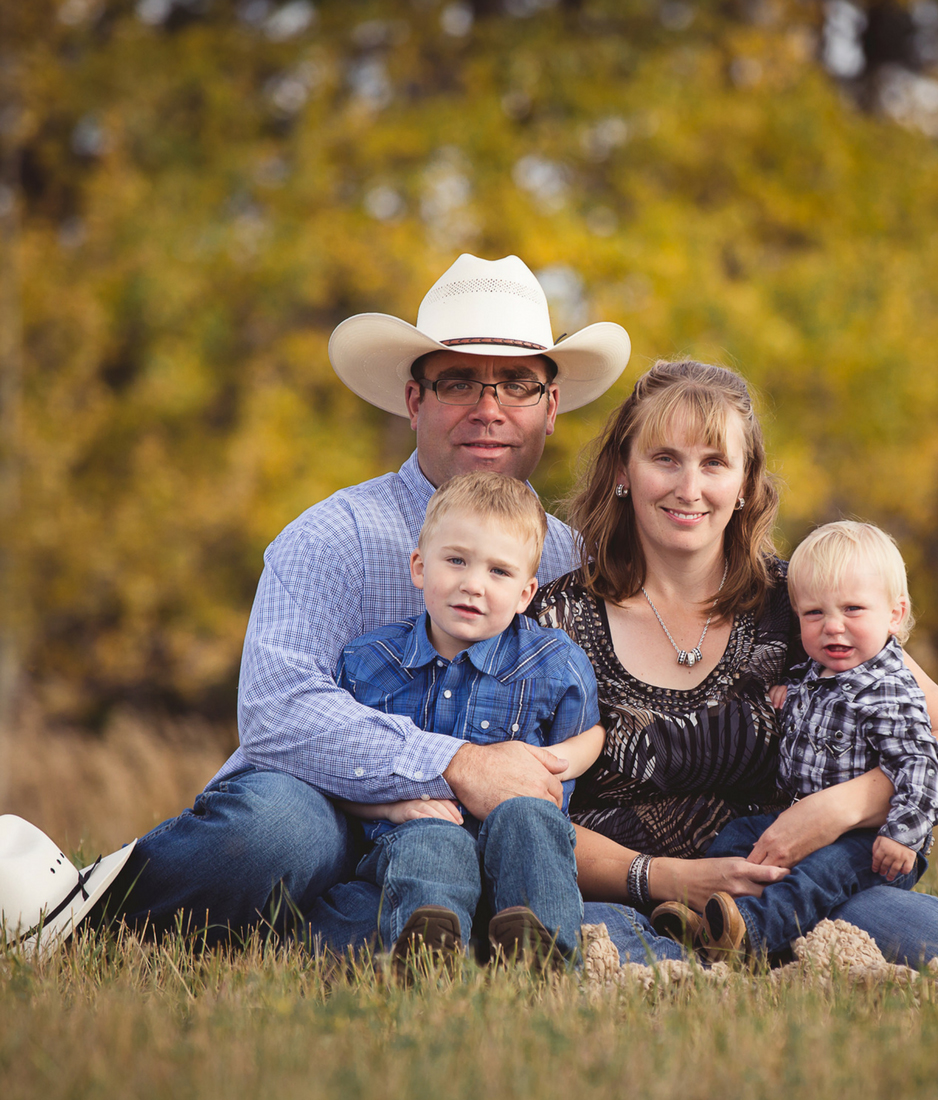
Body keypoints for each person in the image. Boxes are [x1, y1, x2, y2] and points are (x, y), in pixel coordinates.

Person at [97, 253, 631, 945]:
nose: (489, 409)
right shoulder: (332, 535)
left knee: (503, 877)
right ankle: (90, 917)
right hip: (325, 806)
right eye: (458, 382)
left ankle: (337, 936)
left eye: (517, 384)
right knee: (273, 832)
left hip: (478, 837)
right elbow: (276, 710)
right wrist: (452, 765)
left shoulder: (569, 562)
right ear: (414, 401)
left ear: (550, 407)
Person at [533, 360, 938, 969]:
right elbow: (524, 810)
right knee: (598, 942)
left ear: (746, 482)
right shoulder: (557, 618)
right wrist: (663, 877)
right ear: (623, 470)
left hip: (786, 885)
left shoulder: (800, 605)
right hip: (624, 888)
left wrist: (837, 809)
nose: (689, 488)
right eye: (665, 459)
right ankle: (698, 961)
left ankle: (737, 949)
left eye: (714, 463)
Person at [334, 471, 604, 964]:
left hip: (518, 835)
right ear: (419, 567)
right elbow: (340, 775)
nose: (472, 585)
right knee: (432, 836)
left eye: (499, 571)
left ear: (525, 594)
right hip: (413, 842)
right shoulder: (368, 663)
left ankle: (544, 955)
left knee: (530, 818)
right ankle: (427, 955)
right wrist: (391, 809)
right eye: (456, 560)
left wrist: (546, 763)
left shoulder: (552, 663)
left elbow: (591, 734)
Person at [652, 519, 938, 963]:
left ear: (894, 614)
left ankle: (749, 937)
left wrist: (903, 834)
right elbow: (815, 700)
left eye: (853, 610)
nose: (833, 627)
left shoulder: (889, 689)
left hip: (870, 841)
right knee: (738, 836)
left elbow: (922, 766)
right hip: (799, 817)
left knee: (819, 875)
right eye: (814, 614)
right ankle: (708, 915)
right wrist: (787, 696)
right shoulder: (816, 673)